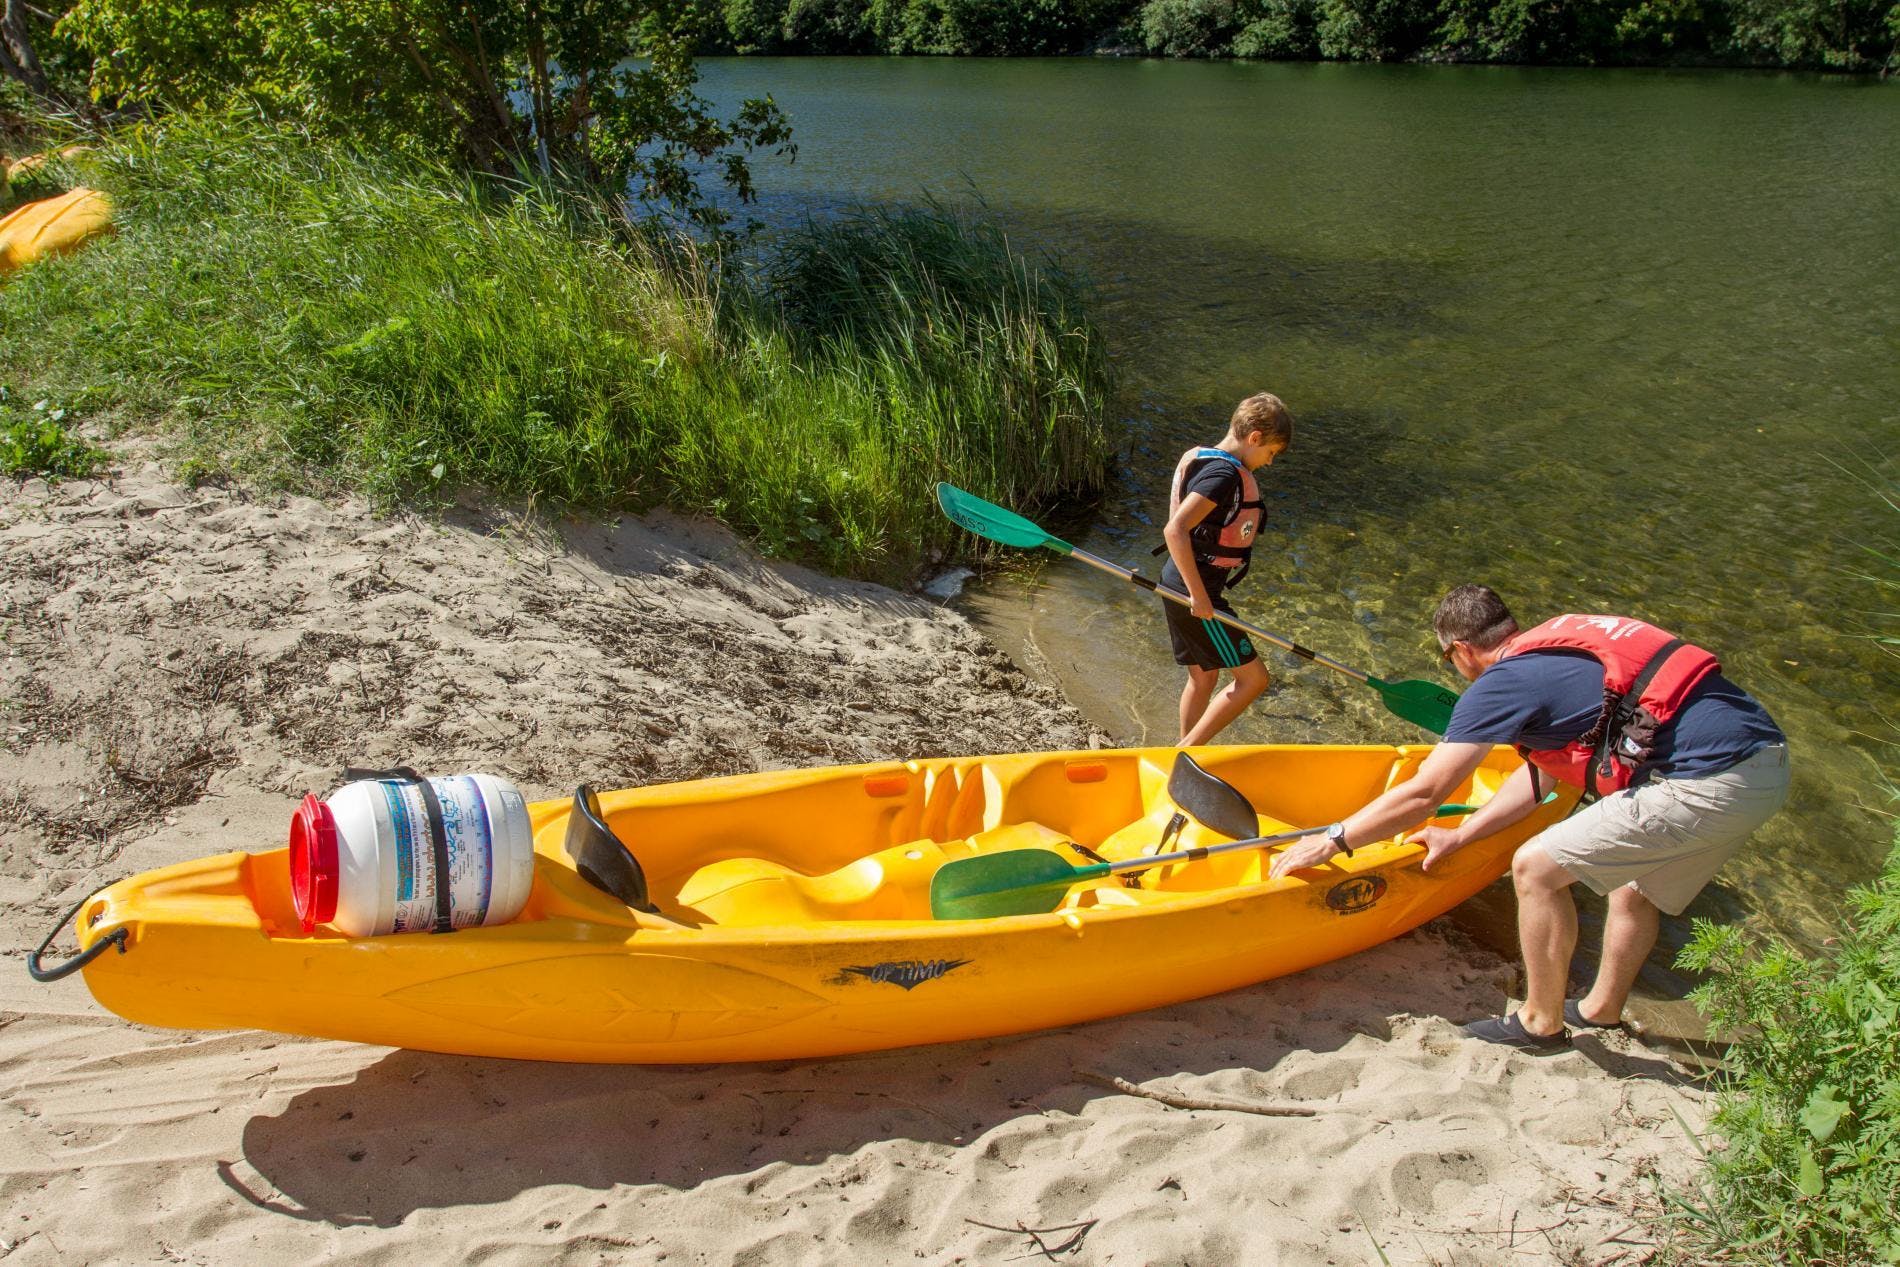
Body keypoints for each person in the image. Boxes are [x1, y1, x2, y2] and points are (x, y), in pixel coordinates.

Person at [1268, 584, 1789, 1051]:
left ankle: (1539, 1023)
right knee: (1635, 888)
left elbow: (1423, 792)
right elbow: (1544, 775)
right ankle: (1600, 1010)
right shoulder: (1562, 648)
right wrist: (1462, 836)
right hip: (1764, 763)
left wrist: (1333, 841)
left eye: (1446, 658)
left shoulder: (1501, 684)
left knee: (1536, 868)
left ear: (1461, 650)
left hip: (1705, 780)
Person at [1160, 392, 1292, 747]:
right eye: (1271, 453)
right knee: (1254, 680)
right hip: (1196, 588)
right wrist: (1200, 597)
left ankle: (1184, 753)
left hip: (1180, 579)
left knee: (1204, 677)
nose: (1269, 462)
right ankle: (1187, 751)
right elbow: (1175, 530)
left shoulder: (1210, 462)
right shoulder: (1223, 475)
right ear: (1255, 438)